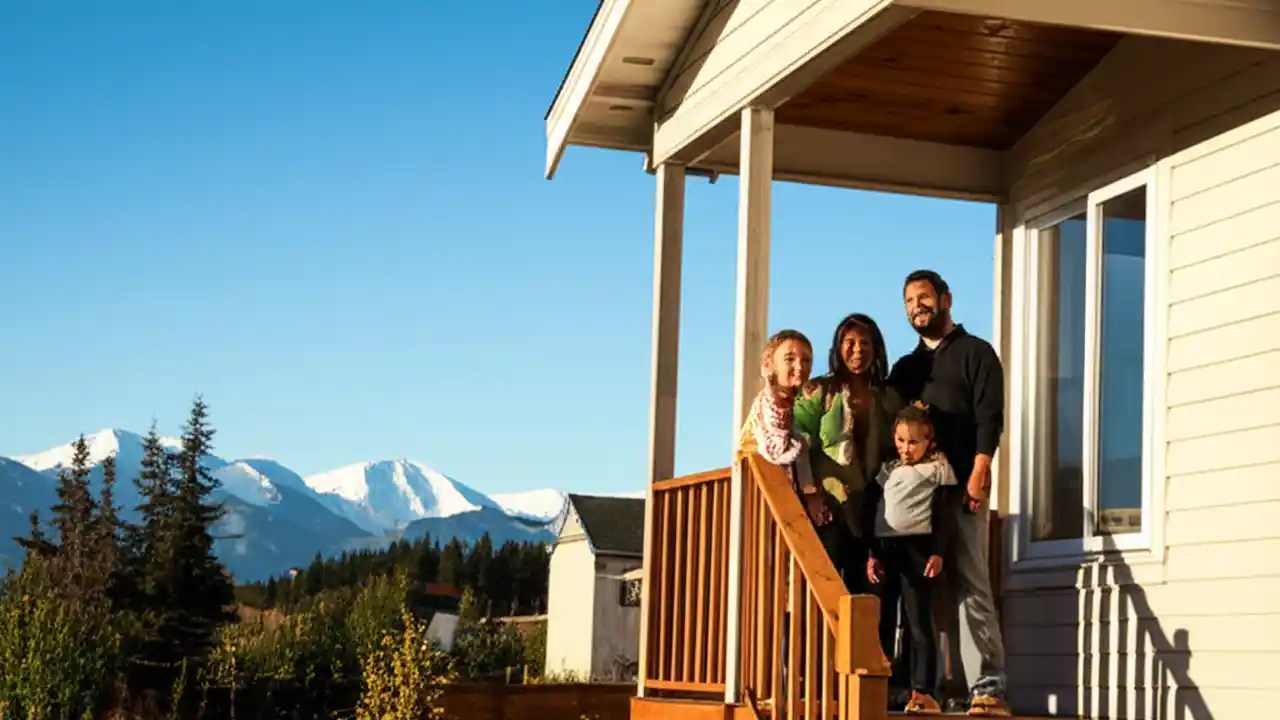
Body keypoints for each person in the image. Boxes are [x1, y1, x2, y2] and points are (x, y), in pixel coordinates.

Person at [888, 270, 1010, 717]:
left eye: (924, 297)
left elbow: (989, 417)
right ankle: (930, 689)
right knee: (919, 593)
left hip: (963, 492)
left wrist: (980, 470)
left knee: (971, 584)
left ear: (945, 299)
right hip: (916, 500)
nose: (917, 306)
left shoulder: (977, 354)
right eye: (909, 301)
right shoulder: (908, 369)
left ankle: (988, 688)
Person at [794, 313, 902, 592]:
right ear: (837, 347)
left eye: (865, 343)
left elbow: (900, 448)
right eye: (849, 342)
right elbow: (798, 440)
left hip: (872, 511)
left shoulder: (888, 398)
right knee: (821, 589)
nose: (857, 350)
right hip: (827, 506)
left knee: (867, 594)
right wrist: (811, 494)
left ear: (876, 348)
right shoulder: (818, 391)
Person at [867, 405, 956, 715]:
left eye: (913, 442)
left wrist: (938, 552)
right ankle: (888, 689)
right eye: (901, 440)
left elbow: (945, 515)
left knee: (918, 622)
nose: (906, 448)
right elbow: (876, 509)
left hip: (918, 549)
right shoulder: (888, 469)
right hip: (886, 548)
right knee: (885, 621)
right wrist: (872, 553)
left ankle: (924, 691)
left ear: (929, 441)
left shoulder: (938, 468)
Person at [737, 329, 830, 527]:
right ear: (769, 364)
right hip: (760, 506)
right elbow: (776, 448)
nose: (799, 367)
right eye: (789, 359)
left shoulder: (790, 409)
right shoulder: (770, 405)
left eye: (806, 361)